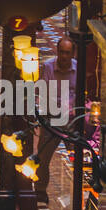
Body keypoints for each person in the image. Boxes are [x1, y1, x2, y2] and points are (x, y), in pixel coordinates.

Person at [35, 36, 79, 189]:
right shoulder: (48, 67)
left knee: (79, 156)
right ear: (57, 52)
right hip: (51, 118)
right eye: (61, 52)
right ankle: (40, 191)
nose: (64, 56)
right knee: (42, 157)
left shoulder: (77, 68)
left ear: (73, 53)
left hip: (70, 119)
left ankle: (80, 194)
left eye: (67, 53)